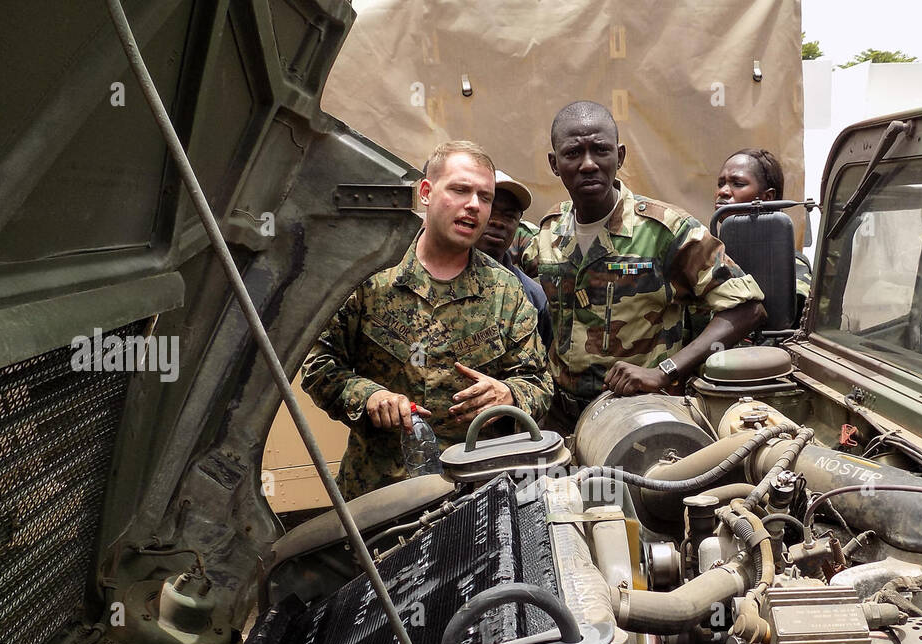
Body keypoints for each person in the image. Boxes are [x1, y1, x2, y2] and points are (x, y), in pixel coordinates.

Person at [302, 140, 552, 496]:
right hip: (379, 492)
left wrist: (509, 394)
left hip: (475, 494)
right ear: (426, 192)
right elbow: (318, 366)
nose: (473, 206)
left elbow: (539, 382)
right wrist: (368, 396)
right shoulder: (370, 277)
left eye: (484, 197)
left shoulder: (506, 293)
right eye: (460, 190)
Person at [523, 101, 766, 430]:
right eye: (573, 153)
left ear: (619, 156)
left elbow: (748, 307)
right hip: (560, 418)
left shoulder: (666, 231)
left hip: (636, 418)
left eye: (601, 150)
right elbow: (519, 260)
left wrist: (665, 371)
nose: (588, 164)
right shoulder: (550, 231)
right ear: (554, 163)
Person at [715, 148, 813, 304]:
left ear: (767, 197)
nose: (723, 191)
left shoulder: (789, 265)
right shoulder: (709, 258)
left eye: (738, 184)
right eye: (721, 184)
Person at [477, 170, 554, 353]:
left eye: (509, 216)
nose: (498, 222)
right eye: (490, 210)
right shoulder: (437, 277)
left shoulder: (534, 297)